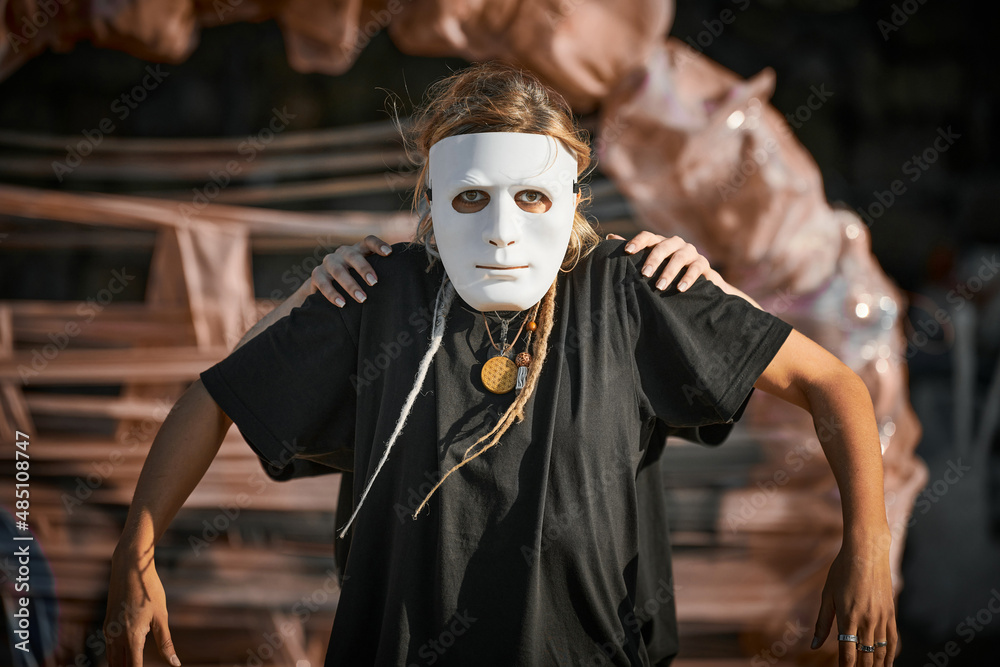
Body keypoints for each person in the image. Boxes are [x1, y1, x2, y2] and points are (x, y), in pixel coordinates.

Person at [105, 62, 895, 667]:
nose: (504, 233)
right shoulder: (378, 295)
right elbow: (215, 396)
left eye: (534, 199)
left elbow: (834, 382)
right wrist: (133, 557)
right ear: (432, 199)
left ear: (573, 197)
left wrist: (866, 541)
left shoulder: (634, 289)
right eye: (472, 199)